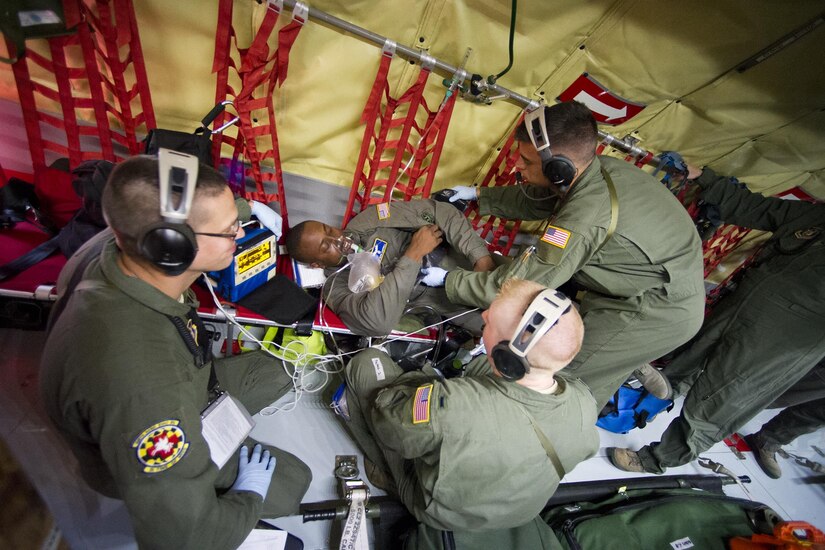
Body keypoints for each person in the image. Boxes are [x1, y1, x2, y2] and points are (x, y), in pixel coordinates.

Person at [40, 154, 311, 549]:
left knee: (281, 371)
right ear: (172, 248)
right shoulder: (141, 383)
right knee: (291, 482)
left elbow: (207, 215)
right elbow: (183, 537)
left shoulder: (125, 242)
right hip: (144, 421)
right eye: (230, 229)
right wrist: (247, 496)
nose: (241, 231)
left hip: (188, 375)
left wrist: (246, 207)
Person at [436, 101, 705, 408]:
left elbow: (518, 283)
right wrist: (478, 195)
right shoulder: (594, 171)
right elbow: (543, 198)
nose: (516, 167)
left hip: (659, 310)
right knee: (584, 345)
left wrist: (448, 280)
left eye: (525, 160)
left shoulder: (586, 216)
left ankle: (620, 354)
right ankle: (625, 355)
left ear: (559, 167)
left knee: (558, 376)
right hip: (645, 280)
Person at [608, 165, 825, 475]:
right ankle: (634, 412)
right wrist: (707, 179)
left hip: (782, 341)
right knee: (680, 366)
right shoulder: (817, 218)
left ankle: (658, 459)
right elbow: (760, 209)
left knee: (719, 400)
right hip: (740, 307)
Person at [338, 279, 599, 531]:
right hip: (519, 511)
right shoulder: (584, 402)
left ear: (506, 357)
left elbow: (390, 425)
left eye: (490, 321)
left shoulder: (453, 404)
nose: (484, 315)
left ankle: (383, 472)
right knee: (474, 370)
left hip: (442, 511)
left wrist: (422, 381)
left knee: (365, 366)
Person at [285, 198, 495, 336]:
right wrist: (413, 255)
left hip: (470, 265)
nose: (338, 239)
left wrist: (481, 258)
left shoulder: (369, 221)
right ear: (316, 264)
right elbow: (376, 323)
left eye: (329, 230)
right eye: (326, 246)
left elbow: (440, 211)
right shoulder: (336, 287)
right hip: (453, 306)